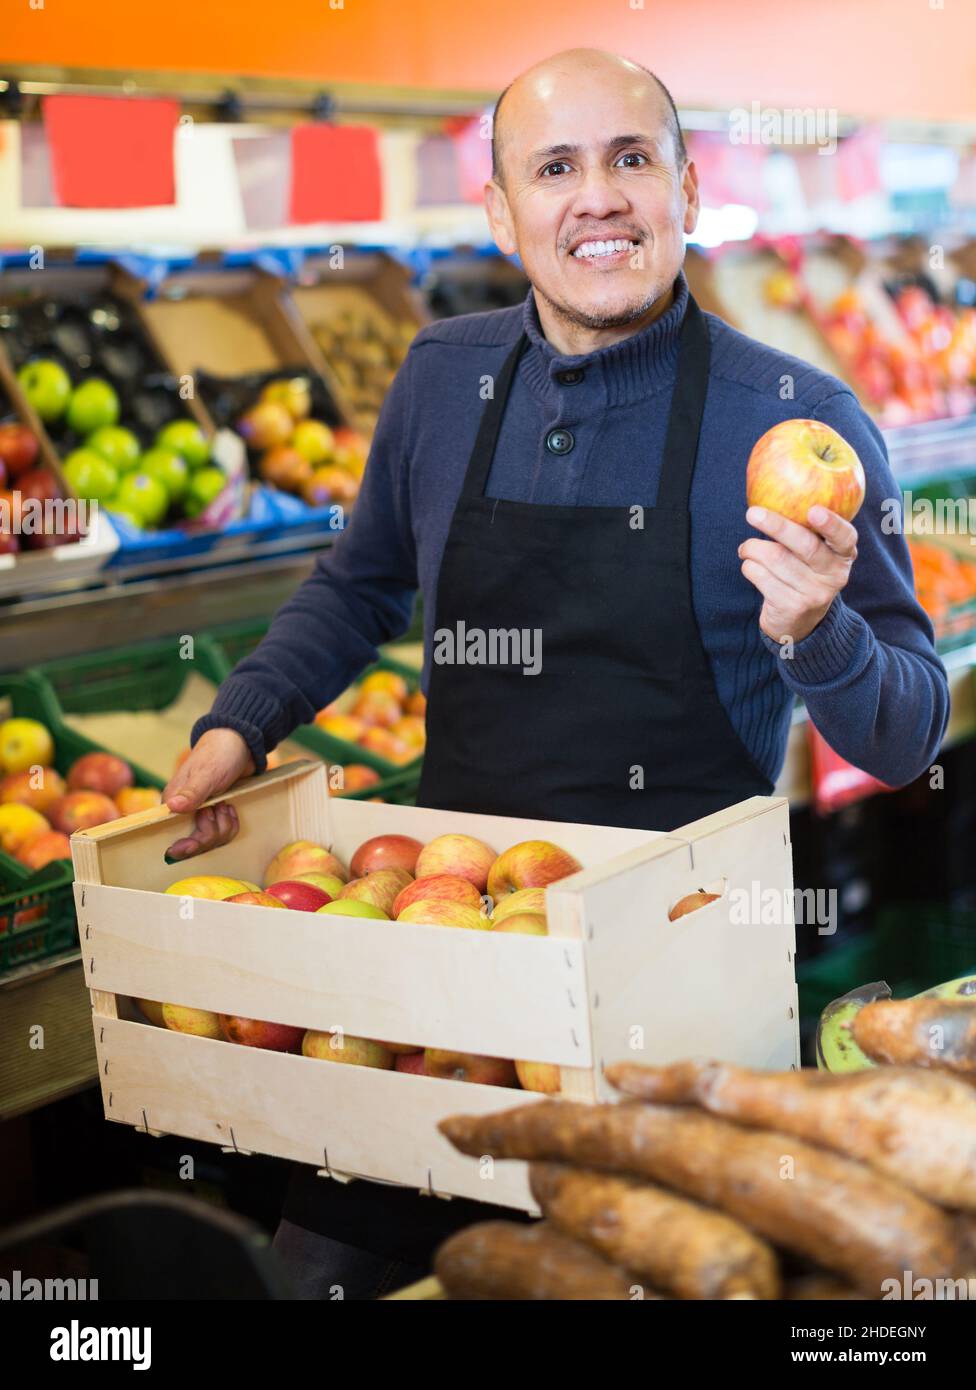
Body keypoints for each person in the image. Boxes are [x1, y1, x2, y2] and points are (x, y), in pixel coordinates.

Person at [162, 49, 950, 1298]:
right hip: (453, 957)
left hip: (678, 997)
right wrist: (242, 724)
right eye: (555, 167)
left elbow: (907, 731)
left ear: (686, 190)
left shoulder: (797, 416)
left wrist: (817, 631)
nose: (598, 197)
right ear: (499, 210)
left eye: (631, 159)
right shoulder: (438, 379)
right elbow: (360, 581)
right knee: (328, 1279)